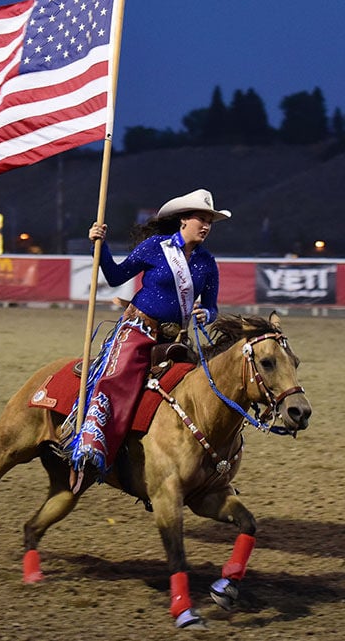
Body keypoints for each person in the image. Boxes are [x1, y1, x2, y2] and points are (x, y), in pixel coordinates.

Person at [69, 188, 231, 490]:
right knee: (115, 380)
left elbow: (211, 305)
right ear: (184, 220)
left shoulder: (207, 262)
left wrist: (205, 315)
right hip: (138, 330)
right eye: (201, 218)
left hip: (178, 338)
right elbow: (116, 276)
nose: (206, 225)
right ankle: (90, 450)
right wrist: (99, 245)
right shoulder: (155, 246)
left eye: (210, 220)